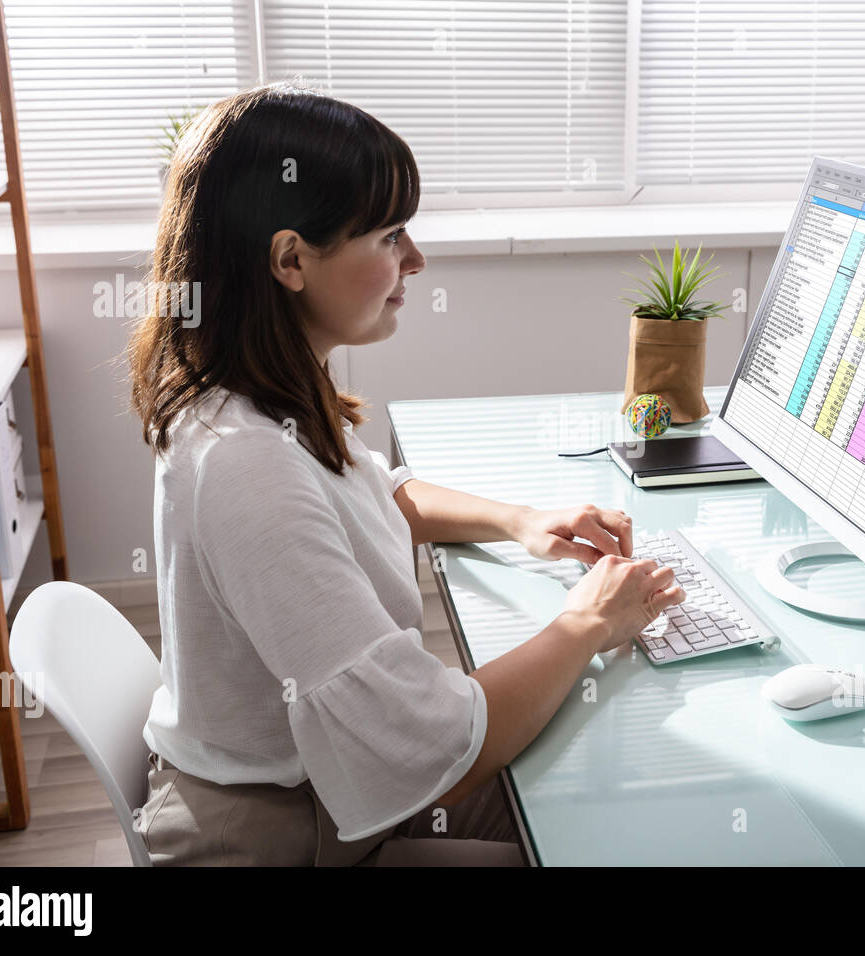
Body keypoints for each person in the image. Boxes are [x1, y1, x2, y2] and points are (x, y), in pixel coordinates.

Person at [126, 83, 685, 866]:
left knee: (615, 782)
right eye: (390, 237)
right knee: (621, 815)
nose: (415, 260)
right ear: (290, 260)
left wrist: (519, 520)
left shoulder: (260, 388)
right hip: (290, 835)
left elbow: (373, 490)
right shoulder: (245, 463)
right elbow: (422, 746)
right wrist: (589, 622)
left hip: (329, 791)